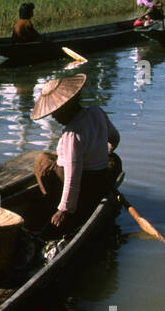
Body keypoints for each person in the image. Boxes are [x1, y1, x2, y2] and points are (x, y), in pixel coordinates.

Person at [31, 73, 121, 234]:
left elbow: (73, 175)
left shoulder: (72, 134)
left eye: (56, 111)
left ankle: (52, 201)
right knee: (114, 160)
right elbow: (114, 138)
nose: (53, 116)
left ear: (67, 107)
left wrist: (64, 210)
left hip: (84, 182)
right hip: (99, 176)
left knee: (41, 160)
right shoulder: (96, 112)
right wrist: (102, 151)